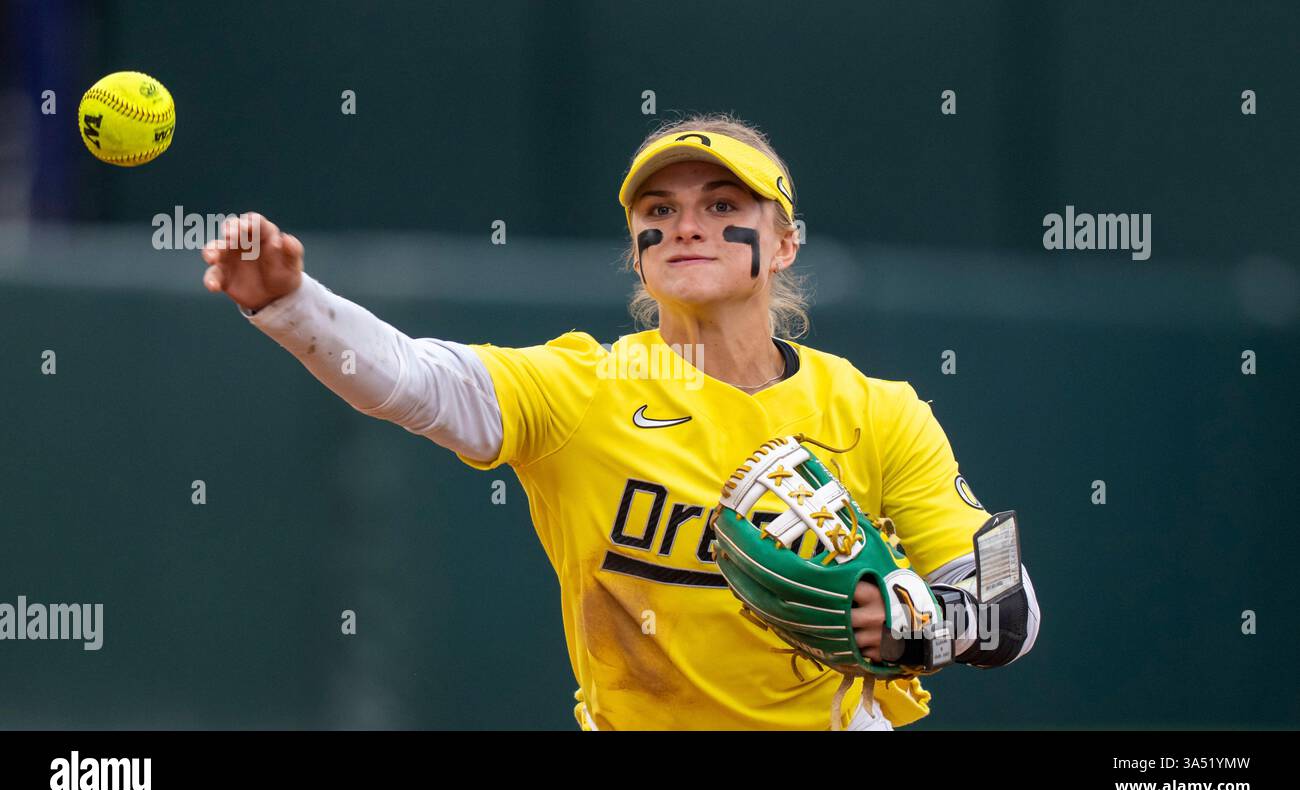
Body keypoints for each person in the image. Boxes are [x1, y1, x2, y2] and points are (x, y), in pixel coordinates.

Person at [200, 113, 1041, 730]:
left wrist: (920, 624)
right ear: (637, 247)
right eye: (659, 209)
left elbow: (1009, 608)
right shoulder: (585, 388)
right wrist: (290, 304)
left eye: (722, 205)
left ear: (783, 243)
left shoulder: (875, 410)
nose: (685, 224)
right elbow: (413, 380)